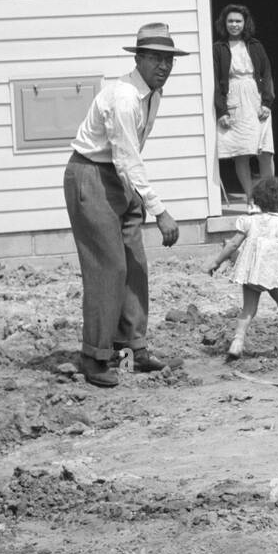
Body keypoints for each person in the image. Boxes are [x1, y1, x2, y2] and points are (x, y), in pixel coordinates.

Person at [64, 22, 186, 388]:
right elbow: (126, 158)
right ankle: (94, 356)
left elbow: (129, 159)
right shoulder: (125, 97)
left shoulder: (152, 94)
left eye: (168, 60)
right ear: (140, 59)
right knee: (109, 266)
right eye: (155, 59)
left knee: (135, 263)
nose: (163, 67)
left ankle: (132, 349)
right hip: (92, 175)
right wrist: (159, 209)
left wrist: (137, 196)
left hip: (120, 177)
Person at [208, 175, 278, 358]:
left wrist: (216, 261)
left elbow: (233, 244)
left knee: (248, 309)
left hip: (251, 274)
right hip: (274, 275)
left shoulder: (249, 221)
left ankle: (237, 341)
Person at [213, 4, 276, 201]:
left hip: (256, 98)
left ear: (244, 23)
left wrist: (267, 102)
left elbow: (267, 74)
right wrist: (222, 110)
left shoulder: (255, 46)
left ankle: (270, 198)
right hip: (233, 99)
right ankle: (251, 199)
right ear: (224, 23)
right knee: (241, 152)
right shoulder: (218, 48)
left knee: (265, 151)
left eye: (238, 21)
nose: (234, 25)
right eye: (230, 21)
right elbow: (215, 81)